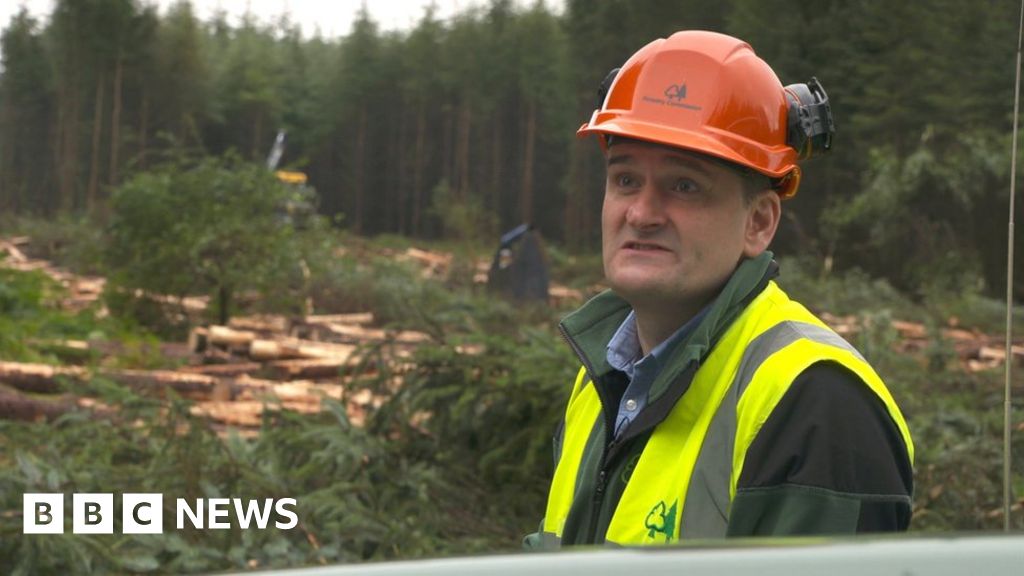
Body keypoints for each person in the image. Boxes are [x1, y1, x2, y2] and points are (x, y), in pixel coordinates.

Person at [526, 30, 914, 548]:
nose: (640, 213)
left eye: (684, 186)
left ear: (759, 222)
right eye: (625, 180)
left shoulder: (816, 406)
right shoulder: (602, 382)